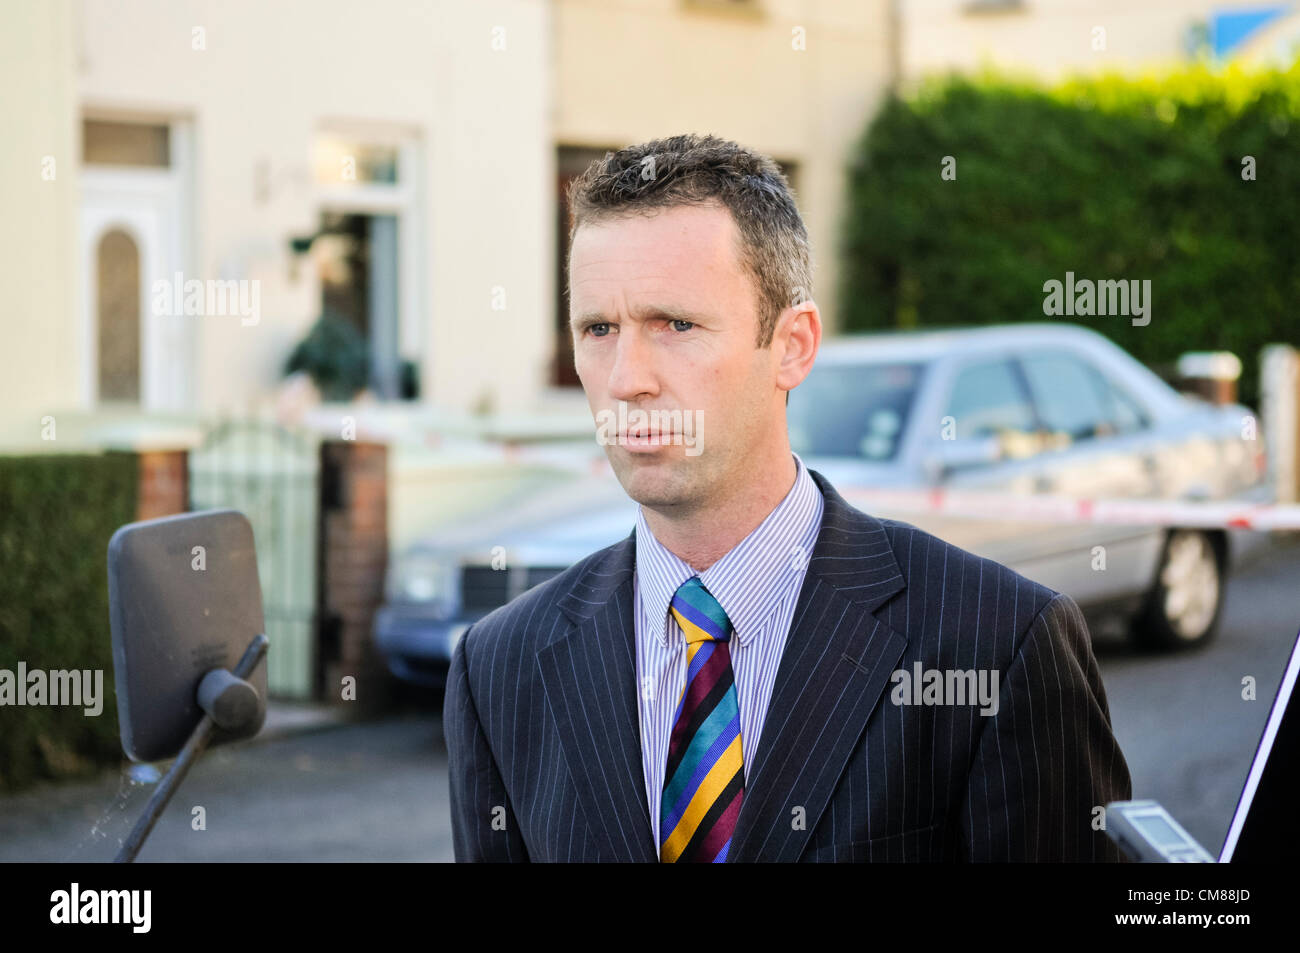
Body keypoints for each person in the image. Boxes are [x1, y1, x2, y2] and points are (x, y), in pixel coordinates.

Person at [444, 133, 1131, 862]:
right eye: (599, 328)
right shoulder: (499, 669)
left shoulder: (998, 641)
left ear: (794, 344)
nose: (626, 377)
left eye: (675, 324)